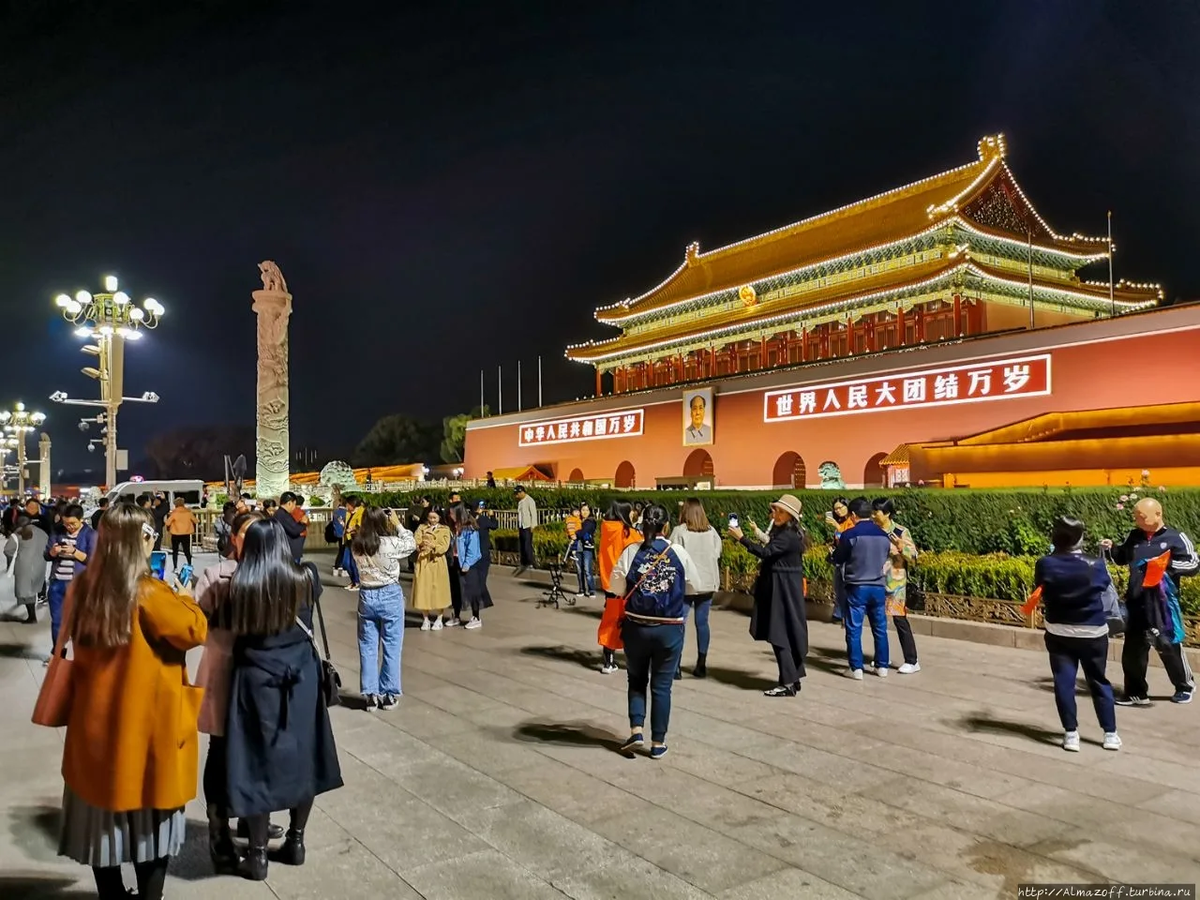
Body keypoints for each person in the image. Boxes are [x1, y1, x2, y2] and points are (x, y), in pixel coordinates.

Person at [56, 503, 207, 900]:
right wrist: (188, 597)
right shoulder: (149, 593)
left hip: (94, 732)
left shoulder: (85, 587)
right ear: (140, 540)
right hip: (145, 735)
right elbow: (194, 630)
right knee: (150, 831)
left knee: (100, 823)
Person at [219, 518, 343, 881]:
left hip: (254, 678)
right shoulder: (306, 577)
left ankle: (257, 856)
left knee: (255, 760)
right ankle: (296, 841)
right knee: (304, 755)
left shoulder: (240, 584)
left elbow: (230, 629)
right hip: (300, 676)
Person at [194, 511, 282, 872]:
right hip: (224, 674)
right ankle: (218, 829)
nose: (251, 539)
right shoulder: (216, 575)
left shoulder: (278, 575)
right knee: (220, 751)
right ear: (233, 537)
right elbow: (195, 622)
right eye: (246, 532)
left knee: (257, 753)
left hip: (260, 679)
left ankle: (250, 818)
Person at [611, 504, 696, 759]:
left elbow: (616, 586)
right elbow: (693, 586)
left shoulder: (631, 551)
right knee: (662, 686)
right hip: (669, 630)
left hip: (637, 627)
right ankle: (658, 743)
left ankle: (637, 729)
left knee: (636, 680)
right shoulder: (677, 552)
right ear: (665, 526)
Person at [1101, 497, 1198, 705]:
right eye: (1136, 516)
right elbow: (1122, 557)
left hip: (1162, 604)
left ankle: (1185, 685)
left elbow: (1193, 564)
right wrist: (1111, 548)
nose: (1137, 520)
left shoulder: (1175, 537)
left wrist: (1164, 565)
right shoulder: (1135, 536)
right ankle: (1136, 692)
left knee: (1168, 645)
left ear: (1158, 514)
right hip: (1136, 601)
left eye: (1141, 517)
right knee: (1133, 649)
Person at [1036, 517, 1121, 752]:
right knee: (1099, 681)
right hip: (1093, 631)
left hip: (1059, 630)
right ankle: (1110, 734)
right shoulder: (1095, 564)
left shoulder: (1045, 563)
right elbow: (1103, 587)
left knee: (1064, 681)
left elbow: (1042, 588)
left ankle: (1071, 734)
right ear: (1080, 537)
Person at [730, 494, 809, 696]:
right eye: (776, 510)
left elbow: (766, 553)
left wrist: (742, 538)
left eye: (781, 511)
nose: (776, 514)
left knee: (779, 633)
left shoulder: (788, 536)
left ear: (791, 516)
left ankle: (788, 682)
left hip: (782, 588)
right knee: (785, 632)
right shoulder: (787, 532)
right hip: (783, 586)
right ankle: (792, 677)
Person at [352, 506, 416, 710]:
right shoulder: (389, 543)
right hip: (389, 594)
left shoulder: (357, 544)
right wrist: (397, 523)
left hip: (367, 596)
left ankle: (371, 694)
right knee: (392, 646)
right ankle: (389, 694)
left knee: (368, 647)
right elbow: (411, 543)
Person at [832, 497, 892, 680]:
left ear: (853, 515)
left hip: (857, 586)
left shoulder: (850, 534)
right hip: (878, 586)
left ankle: (856, 668)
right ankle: (882, 666)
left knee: (854, 628)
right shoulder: (883, 535)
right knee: (880, 628)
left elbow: (838, 558)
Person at [670, 497, 723, 679]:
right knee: (702, 623)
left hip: (687, 583)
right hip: (707, 583)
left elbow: (672, 555)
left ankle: (676, 666)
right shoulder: (712, 532)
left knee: (680, 623)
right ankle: (701, 664)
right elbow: (716, 553)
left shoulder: (679, 531)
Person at [872, 498, 920, 674]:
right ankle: (882, 657)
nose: (873, 515)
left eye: (876, 512)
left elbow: (914, 559)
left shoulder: (901, 531)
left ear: (887, 514)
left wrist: (901, 548)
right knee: (878, 621)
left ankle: (912, 660)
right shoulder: (873, 531)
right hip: (876, 581)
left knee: (900, 621)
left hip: (895, 584)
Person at [44, 503, 96, 660]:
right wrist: (53, 552)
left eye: (73, 523)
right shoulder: (58, 531)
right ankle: (58, 653)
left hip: (80, 584)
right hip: (57, 583)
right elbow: (46, 555)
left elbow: (94, 561)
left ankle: (81, 655)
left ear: (81, 519)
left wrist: (75, 552)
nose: (69, 527)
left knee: (79, 622)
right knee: (57, 621)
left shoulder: (91, 535)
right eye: (66, 523)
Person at [597, 501, 643, 674]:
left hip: (609, 583)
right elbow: (642, 546)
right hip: (627, 584)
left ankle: (608, 660)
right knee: (631, 621)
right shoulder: (627, 532)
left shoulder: (605, 529)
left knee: (610, 620)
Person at [413, 508, 453, 630]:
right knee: (423, 589)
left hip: (438, 562)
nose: (432, 520)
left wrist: (434, 546)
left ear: (440, 517)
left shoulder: (445, 529)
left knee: (439, 590)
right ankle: (425, 619)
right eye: (430, 517)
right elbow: (416, 541)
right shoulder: (421, 527)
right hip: (423, 561)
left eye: (434, 518)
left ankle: (439, 618)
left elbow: (445, 546)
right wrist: (420, 545)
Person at [453, 502, 490, 629]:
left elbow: (472, 548)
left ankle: (476, 617)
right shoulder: (455, 526)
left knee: (473, 591)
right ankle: (456, 615)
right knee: (457, 590)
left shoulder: (469, 527)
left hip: (469, 564)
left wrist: (467, 563)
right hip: (456, 560)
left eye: (452, 513)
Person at [5, 515, 48, 623]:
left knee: (26, 592)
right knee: (33, 588)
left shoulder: (18, 533)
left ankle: (32, 617)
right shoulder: (42, 532)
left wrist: (16, 556)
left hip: (24, 566)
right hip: (40, 564)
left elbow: (8, 550)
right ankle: (33, 614)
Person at [826, 497, 852, 623]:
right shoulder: (841, 522)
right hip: (839, 558)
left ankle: (844, 614)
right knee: (838, 587)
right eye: (835, 509)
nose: (837, 511)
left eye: (840, 508)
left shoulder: (851, 521)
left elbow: (849, 537)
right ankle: (839, 612)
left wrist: (837, 527)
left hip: (848, 559)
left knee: (846, 587)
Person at [274, 491, 307, 562]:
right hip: (287, 550)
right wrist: (304, 523)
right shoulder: (283, 514)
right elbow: (294, 531)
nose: (295, 507)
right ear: (289, 503)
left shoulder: (280, 513)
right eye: (294, 504)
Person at [164, 497, 197, 569]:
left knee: (175, 551)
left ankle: (175, 567)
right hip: (186, 534)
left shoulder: (174, 513)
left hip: (175, 534)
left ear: (175, 504)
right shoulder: (188, 512)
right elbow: (196, 521)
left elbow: (167, 523)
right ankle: (189, 564)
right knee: (187, 551)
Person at [475, 500, 497, 608]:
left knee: (478, 578)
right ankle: (485, 601)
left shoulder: (468, 519)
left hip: (473, 553)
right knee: (481, 578)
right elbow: (494, 525)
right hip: (482, 552)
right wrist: (492, 516)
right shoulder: (483, 519)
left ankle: (483, 600)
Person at [575, 502, 598, 599]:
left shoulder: (590, 521)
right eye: (583, 510)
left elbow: (582, 532)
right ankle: (581, 589)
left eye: (586, 510)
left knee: (587, 569)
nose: (584, 512)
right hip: (578, 547)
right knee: (579, 569)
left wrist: (576, 532)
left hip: (587, 548)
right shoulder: (577, 520)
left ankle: (591, 590)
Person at [343, 496, 364, 589]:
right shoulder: (348, 512)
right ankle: (354, 581)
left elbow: (361, 526)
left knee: (353, 562)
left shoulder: (362, 512)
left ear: (353, 504)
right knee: (345, 562)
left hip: (357, 540)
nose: (346, 505)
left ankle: (357, 582)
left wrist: (352, 529)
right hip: (348, 539)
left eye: (348, 504)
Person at [515, 485, 536, 574]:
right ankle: (523, 562)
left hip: (528, 526)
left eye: (517, 493)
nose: (516, 496)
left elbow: (533, 513)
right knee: (522, 545)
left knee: (527, 545)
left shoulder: (529, 500)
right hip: (521, 526)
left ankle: (530, 562)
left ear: (522, 492)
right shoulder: (520, 502)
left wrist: (533, 525)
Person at [331, 498, 348, 576]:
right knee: (344, 550)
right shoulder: (346, 513)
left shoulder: (336, 512)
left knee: (341, 549)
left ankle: (337, 565)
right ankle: (340, 565)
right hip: (344, 534)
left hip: (337, 533)